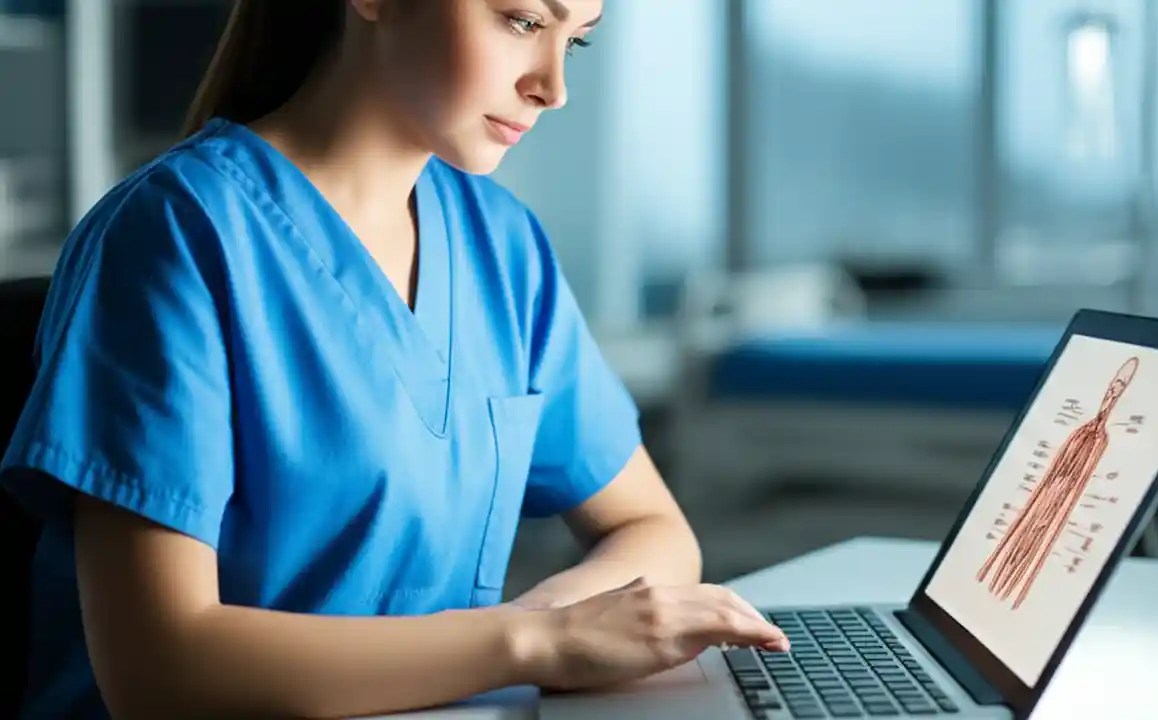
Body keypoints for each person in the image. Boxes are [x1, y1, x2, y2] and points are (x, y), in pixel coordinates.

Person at [0, 1, 789, 717]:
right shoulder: (176, 238)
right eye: (521, 22)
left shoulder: (503, 248)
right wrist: (531, 643)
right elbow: (158, 670)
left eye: (574, 43)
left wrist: (566, 622)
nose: (552, 86)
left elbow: (652, 527)